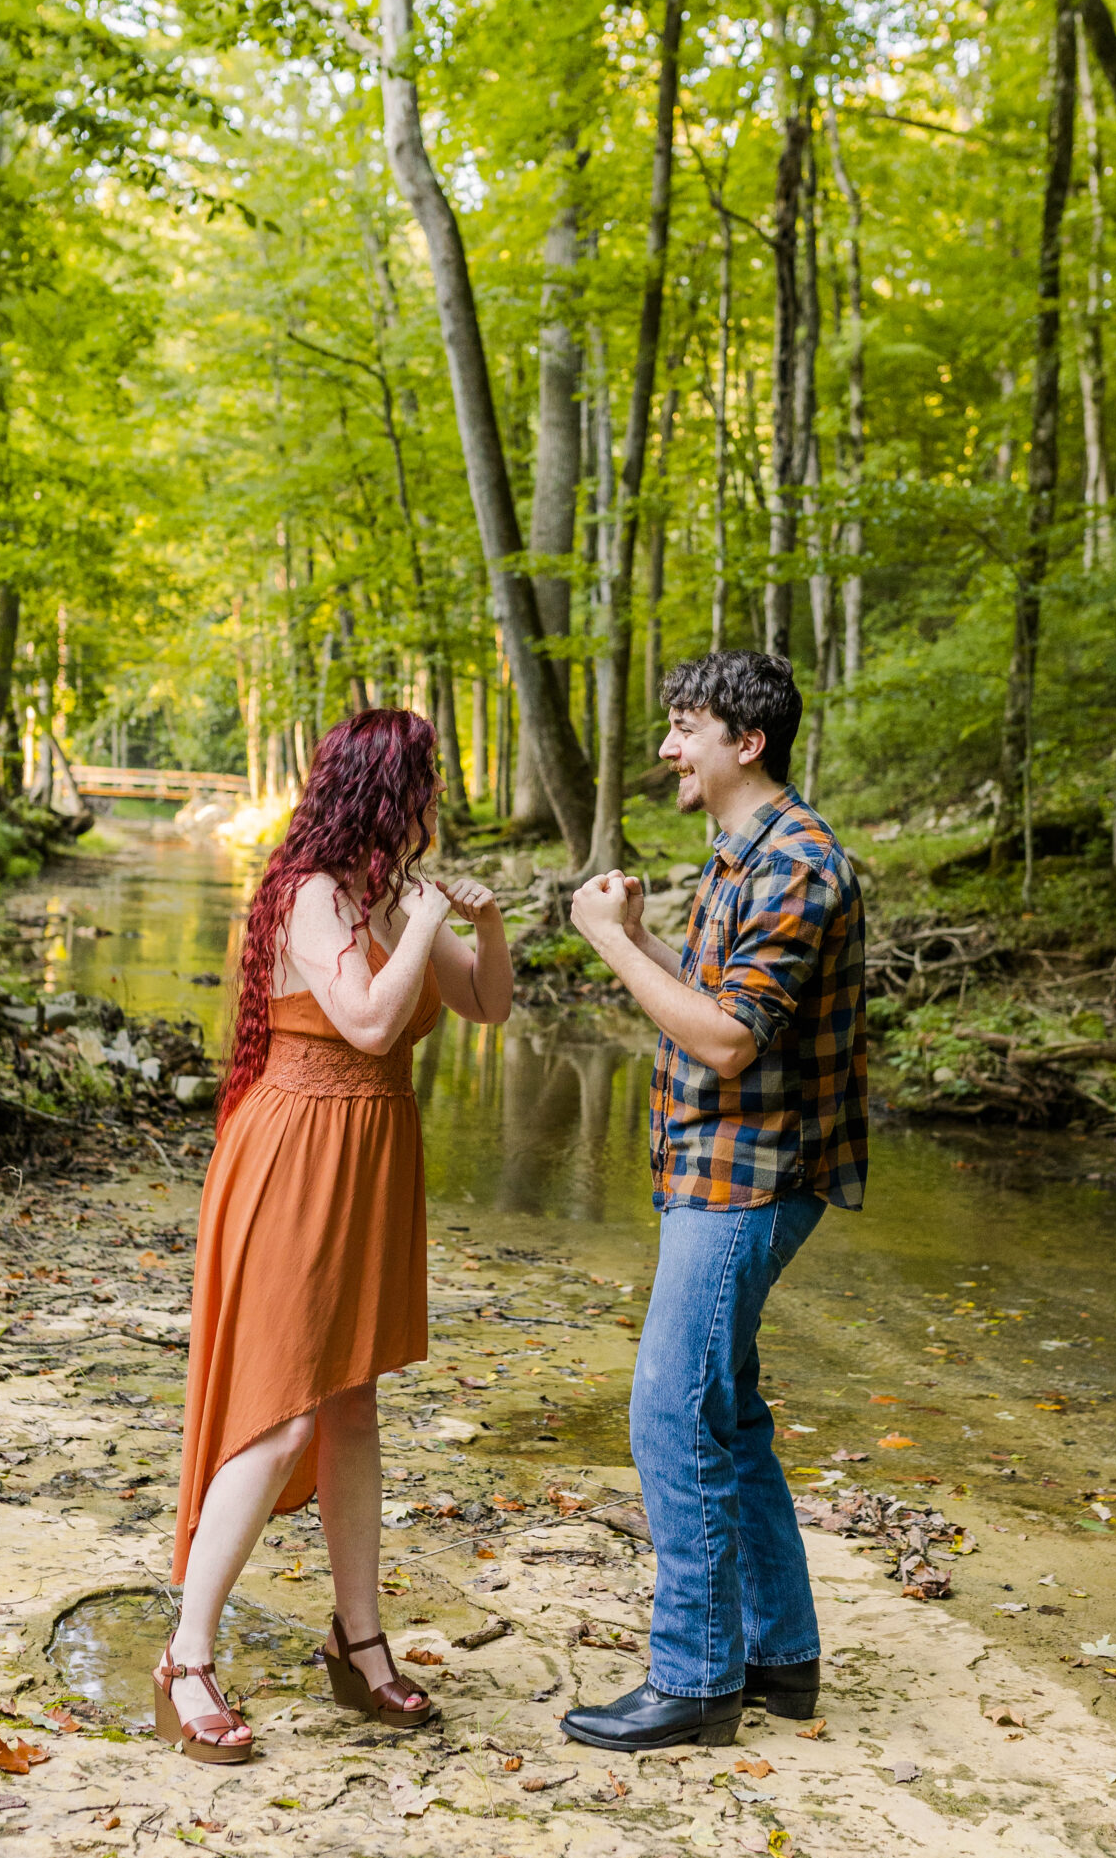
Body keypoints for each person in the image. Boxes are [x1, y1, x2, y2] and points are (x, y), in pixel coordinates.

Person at [158, 708, 511, 1762]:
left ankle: (357, 1640)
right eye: (424, 785)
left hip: (372, 1159)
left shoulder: (396, 895)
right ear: (385, 792)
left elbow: (484, 1004)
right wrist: (416, 926)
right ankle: (187, 1652)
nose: (432, 805)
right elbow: (361, 1019)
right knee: (279, 1416)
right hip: (295, 1152)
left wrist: (481, 927)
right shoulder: (311, 893)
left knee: (351, 1401)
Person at [561, 650, 867, 1751]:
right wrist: (640, 939)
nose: (666, 748)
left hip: (752, 1177)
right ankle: (780, 1658)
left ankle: (694, 1679)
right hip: (712, 1170)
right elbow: (708, 1006)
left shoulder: (798, 862)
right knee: (727, 1413)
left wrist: (605, 942)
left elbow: (730, 1041)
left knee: (667, 1409)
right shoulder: (743, 855)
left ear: (749, 743)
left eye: (684, 726)